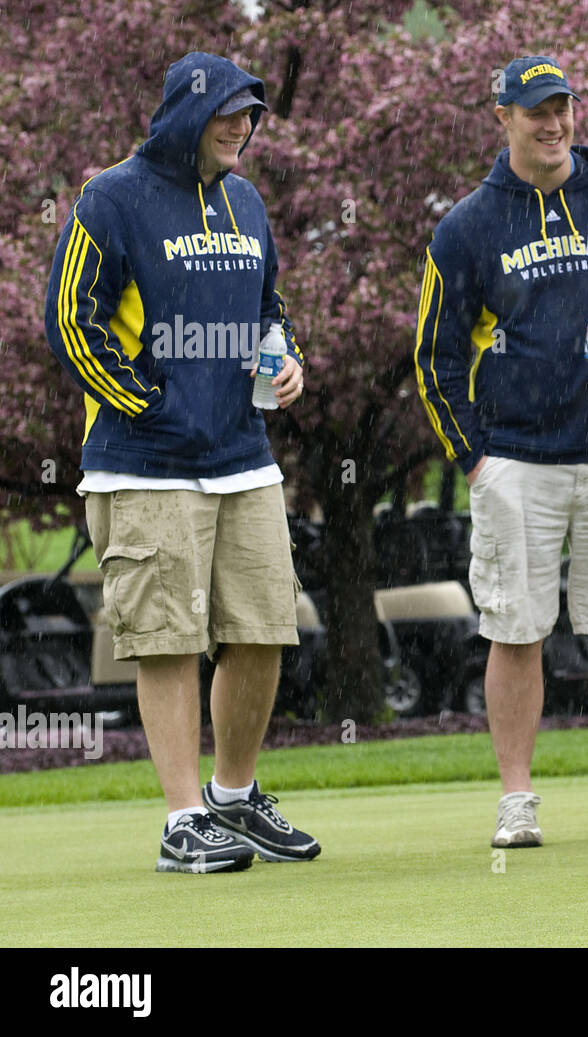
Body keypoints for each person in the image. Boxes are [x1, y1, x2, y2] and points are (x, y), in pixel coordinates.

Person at [44, 52, 319, 873]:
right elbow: (72, 320)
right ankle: (180, 821)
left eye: (252, 115)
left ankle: (233, 800)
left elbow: (269, 306)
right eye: (230, 113)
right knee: (167, 640)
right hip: (144, 464)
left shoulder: (244, 201)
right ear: (185, 115)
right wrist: (146, 405)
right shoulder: (112, 198)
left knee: (265, 627)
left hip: (243, 457)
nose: (243, 128)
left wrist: (285, 356)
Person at [414, 56, 588, 848]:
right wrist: (476, 458)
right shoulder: (466, 226)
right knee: (516, 629)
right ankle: (516, 798)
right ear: (502, 115)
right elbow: (433, 354)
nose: (554, 123)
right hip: (516, 458)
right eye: (536, 109)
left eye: (564, 107)